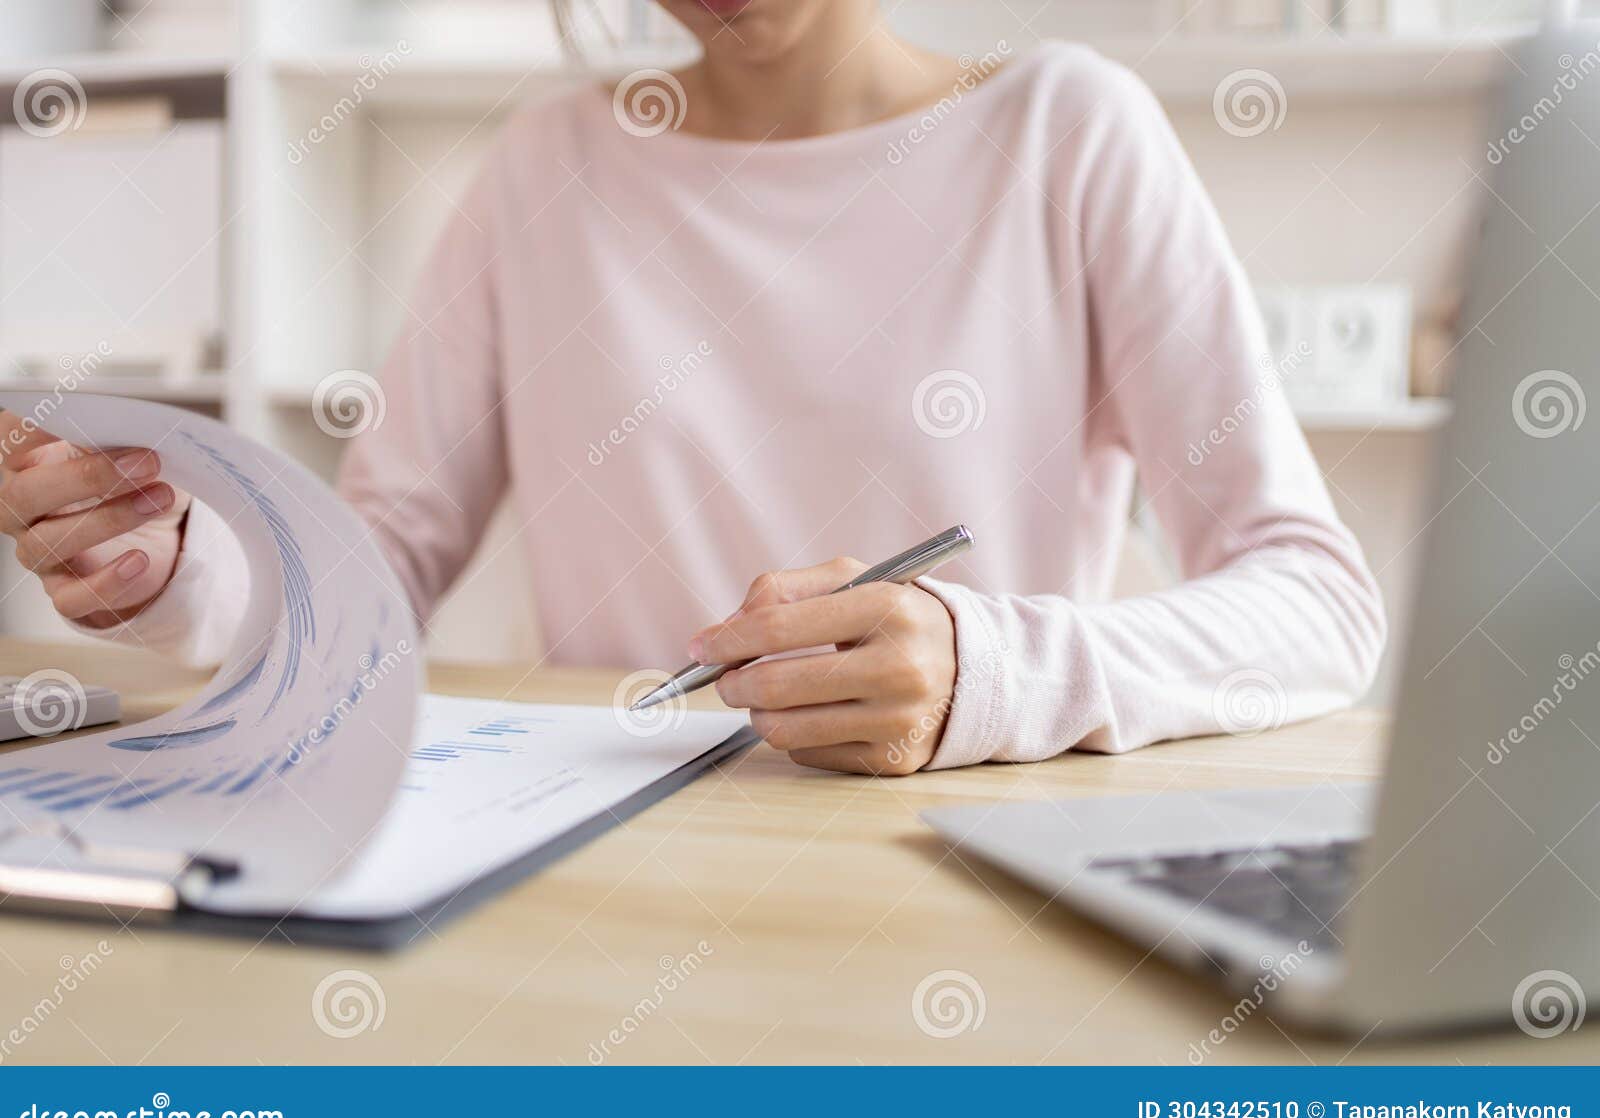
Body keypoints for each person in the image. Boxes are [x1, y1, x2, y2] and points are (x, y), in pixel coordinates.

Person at [0, 0, 1385, 775]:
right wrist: (169, 564)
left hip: (946, 857)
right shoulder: (545, 167)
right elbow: (376, 574)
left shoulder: (1067, 129)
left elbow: (1318, 602)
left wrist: (994, 670)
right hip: (594, 851)